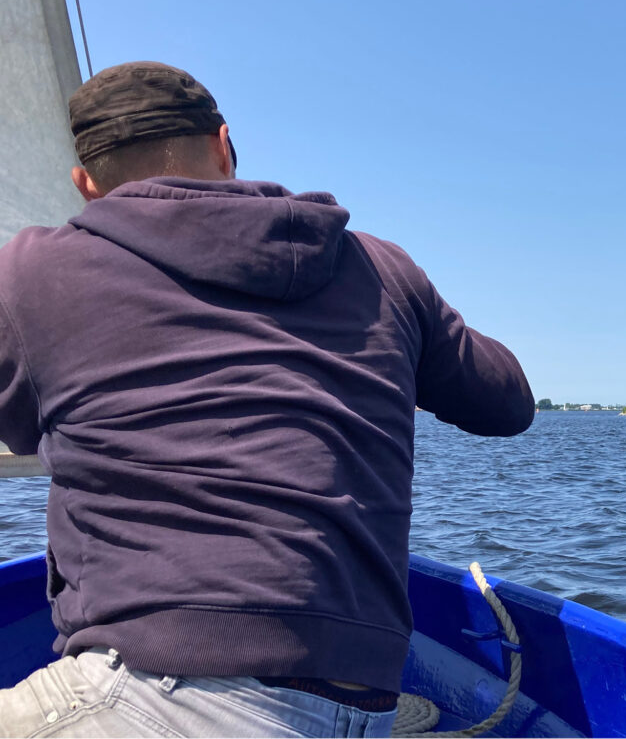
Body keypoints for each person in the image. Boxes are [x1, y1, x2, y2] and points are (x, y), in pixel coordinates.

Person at [0, 62, 532, 736]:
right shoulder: (382, 268)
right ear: (226, 146)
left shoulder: (32, 274)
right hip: (365, 704)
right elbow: (509, 403)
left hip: (154, 693)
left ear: (85, 186)